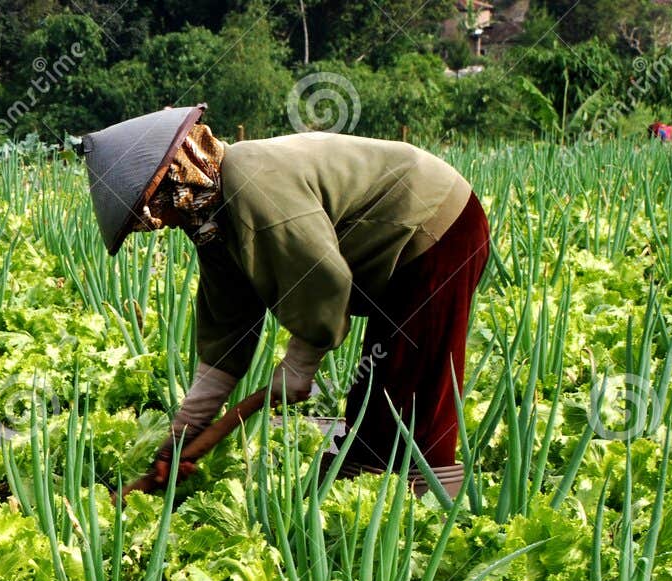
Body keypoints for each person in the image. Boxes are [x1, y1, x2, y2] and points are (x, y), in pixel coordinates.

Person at [81, 105, 488, 498]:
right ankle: (366, 495)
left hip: (436, 225)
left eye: (153, 213)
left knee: (411, 390)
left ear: (175, 184)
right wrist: (182, 435)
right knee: (376, 395)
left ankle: (426, 509)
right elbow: (227, 333)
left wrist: (299, 366)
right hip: (397, 246)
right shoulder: (211, 223)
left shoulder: (249, 182)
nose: (157, 225)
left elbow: (322, 278)